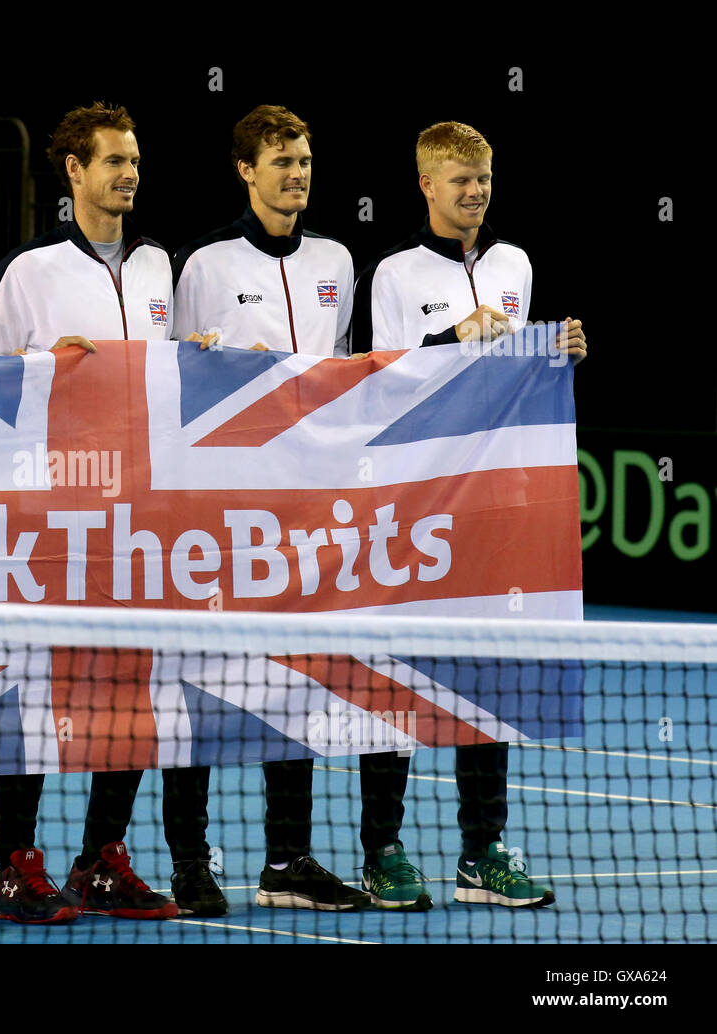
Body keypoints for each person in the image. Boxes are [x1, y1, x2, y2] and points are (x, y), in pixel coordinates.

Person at [0, 102, 225, 921]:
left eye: (136, 162)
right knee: (38, 690)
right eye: (113, 161)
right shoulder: (32, 272)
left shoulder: (160, 266)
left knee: (130, 689)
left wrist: (210, 360)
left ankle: (101, 859)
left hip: (143, 518)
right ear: (74, 171)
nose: (129, 175)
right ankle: (14, 864)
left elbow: (180, 371)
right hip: (55, 515)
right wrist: (36, 364)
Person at [351, 120, 585, 908]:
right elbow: (378, 380)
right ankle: (380, 852)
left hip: (497, 507)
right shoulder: (391, 272)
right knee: (396, 684)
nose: (475, 191)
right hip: (415, 506)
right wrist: (453, 334)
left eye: (483, 177)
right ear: (426, 184)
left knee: (486, 681)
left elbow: (516, 375)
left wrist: (559, 349)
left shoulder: (516, 262)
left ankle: (482, 853)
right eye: (460, 179)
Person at [172, 104, 372, 913]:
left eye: (305, 159)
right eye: (281, 160)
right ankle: (192, 862)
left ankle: (288, 859)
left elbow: (351, 367)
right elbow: (175, 380)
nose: (297, 172)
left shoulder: (337, 258)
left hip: (308, 514)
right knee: (204, 687)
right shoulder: (206, 266)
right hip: (218, 515)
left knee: (299, 681)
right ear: (246, 170)